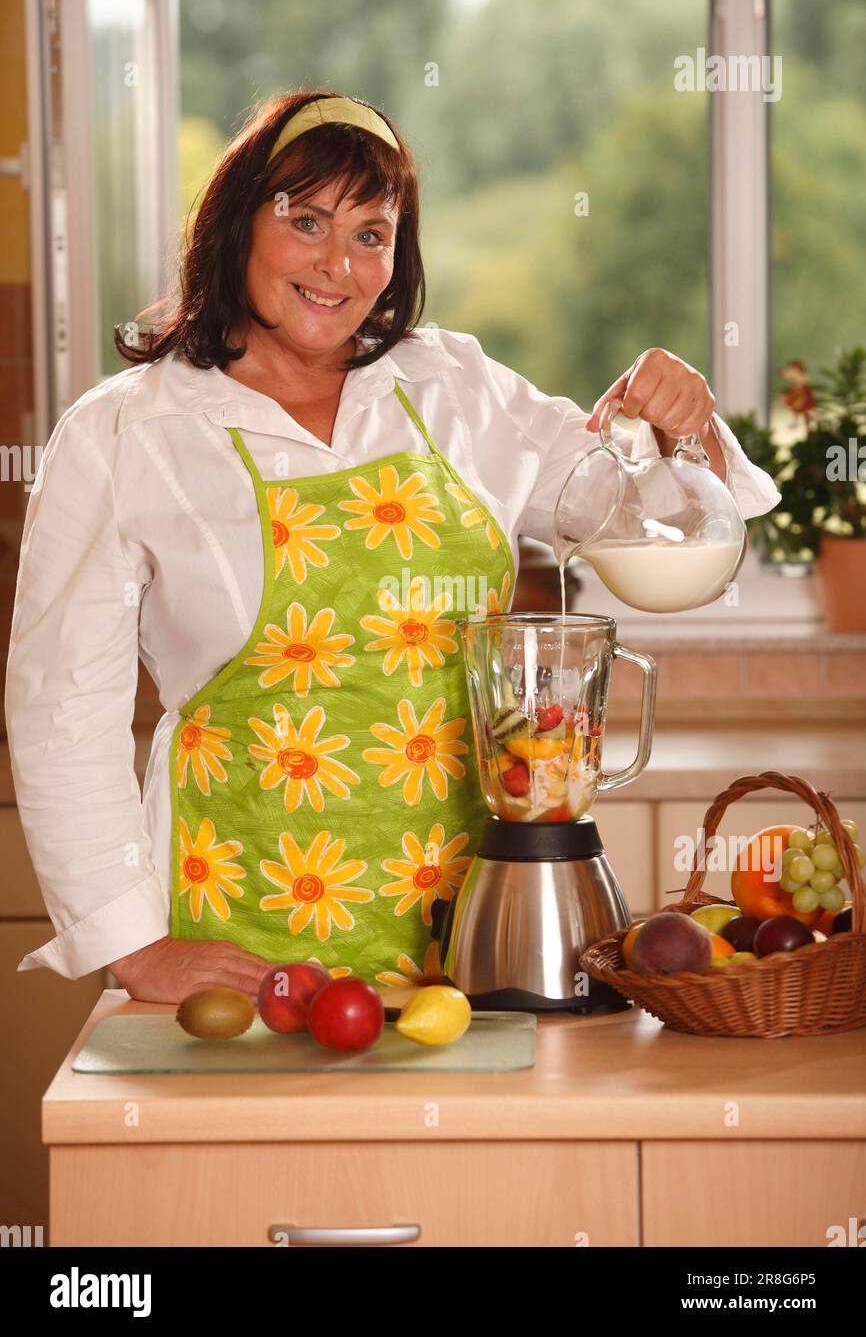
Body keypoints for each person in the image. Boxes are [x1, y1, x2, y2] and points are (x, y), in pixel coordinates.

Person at [4, 89, 781, 1004]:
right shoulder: (127, 433)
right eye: (306, 221)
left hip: (476, 955)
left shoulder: (454, 388)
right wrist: (133, 947)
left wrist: (677, 429)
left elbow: (647, 519)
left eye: (372, 234)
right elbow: (63, 705)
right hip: (246, 959)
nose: (339, 263)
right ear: (234, 225)